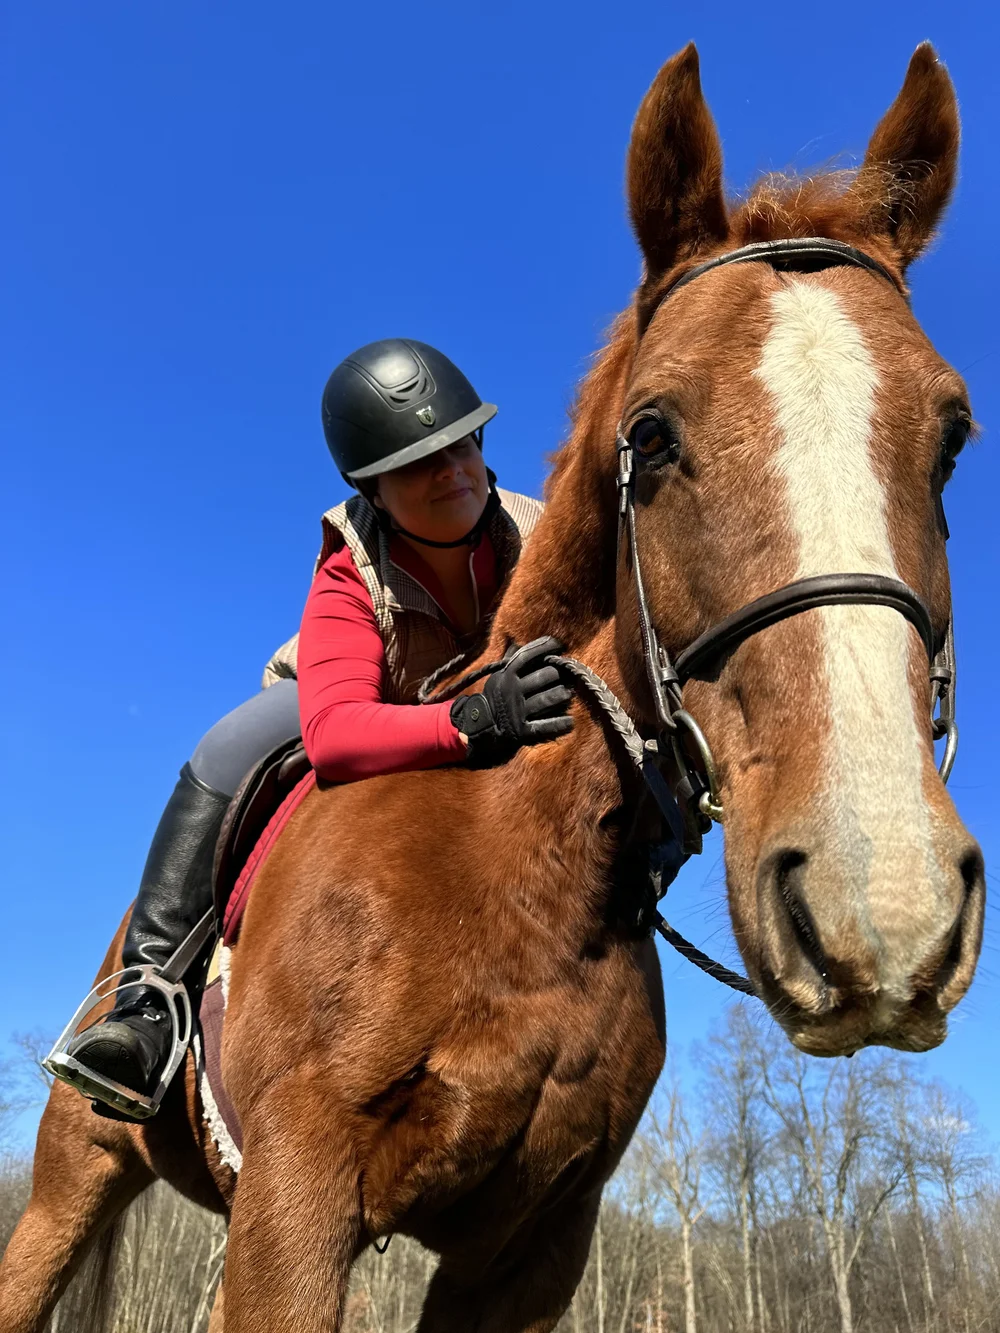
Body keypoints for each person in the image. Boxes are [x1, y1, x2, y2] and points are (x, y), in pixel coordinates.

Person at [49, 338, 572, 1117]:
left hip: (480, 704)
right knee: (229, 744)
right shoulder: (346, 570)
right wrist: (468, 719)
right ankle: (149, 999)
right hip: (352, 700)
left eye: (462, 441)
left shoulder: (540, 534)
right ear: (373, 487)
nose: (454, 469)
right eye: (419, 461)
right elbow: (334, 736)